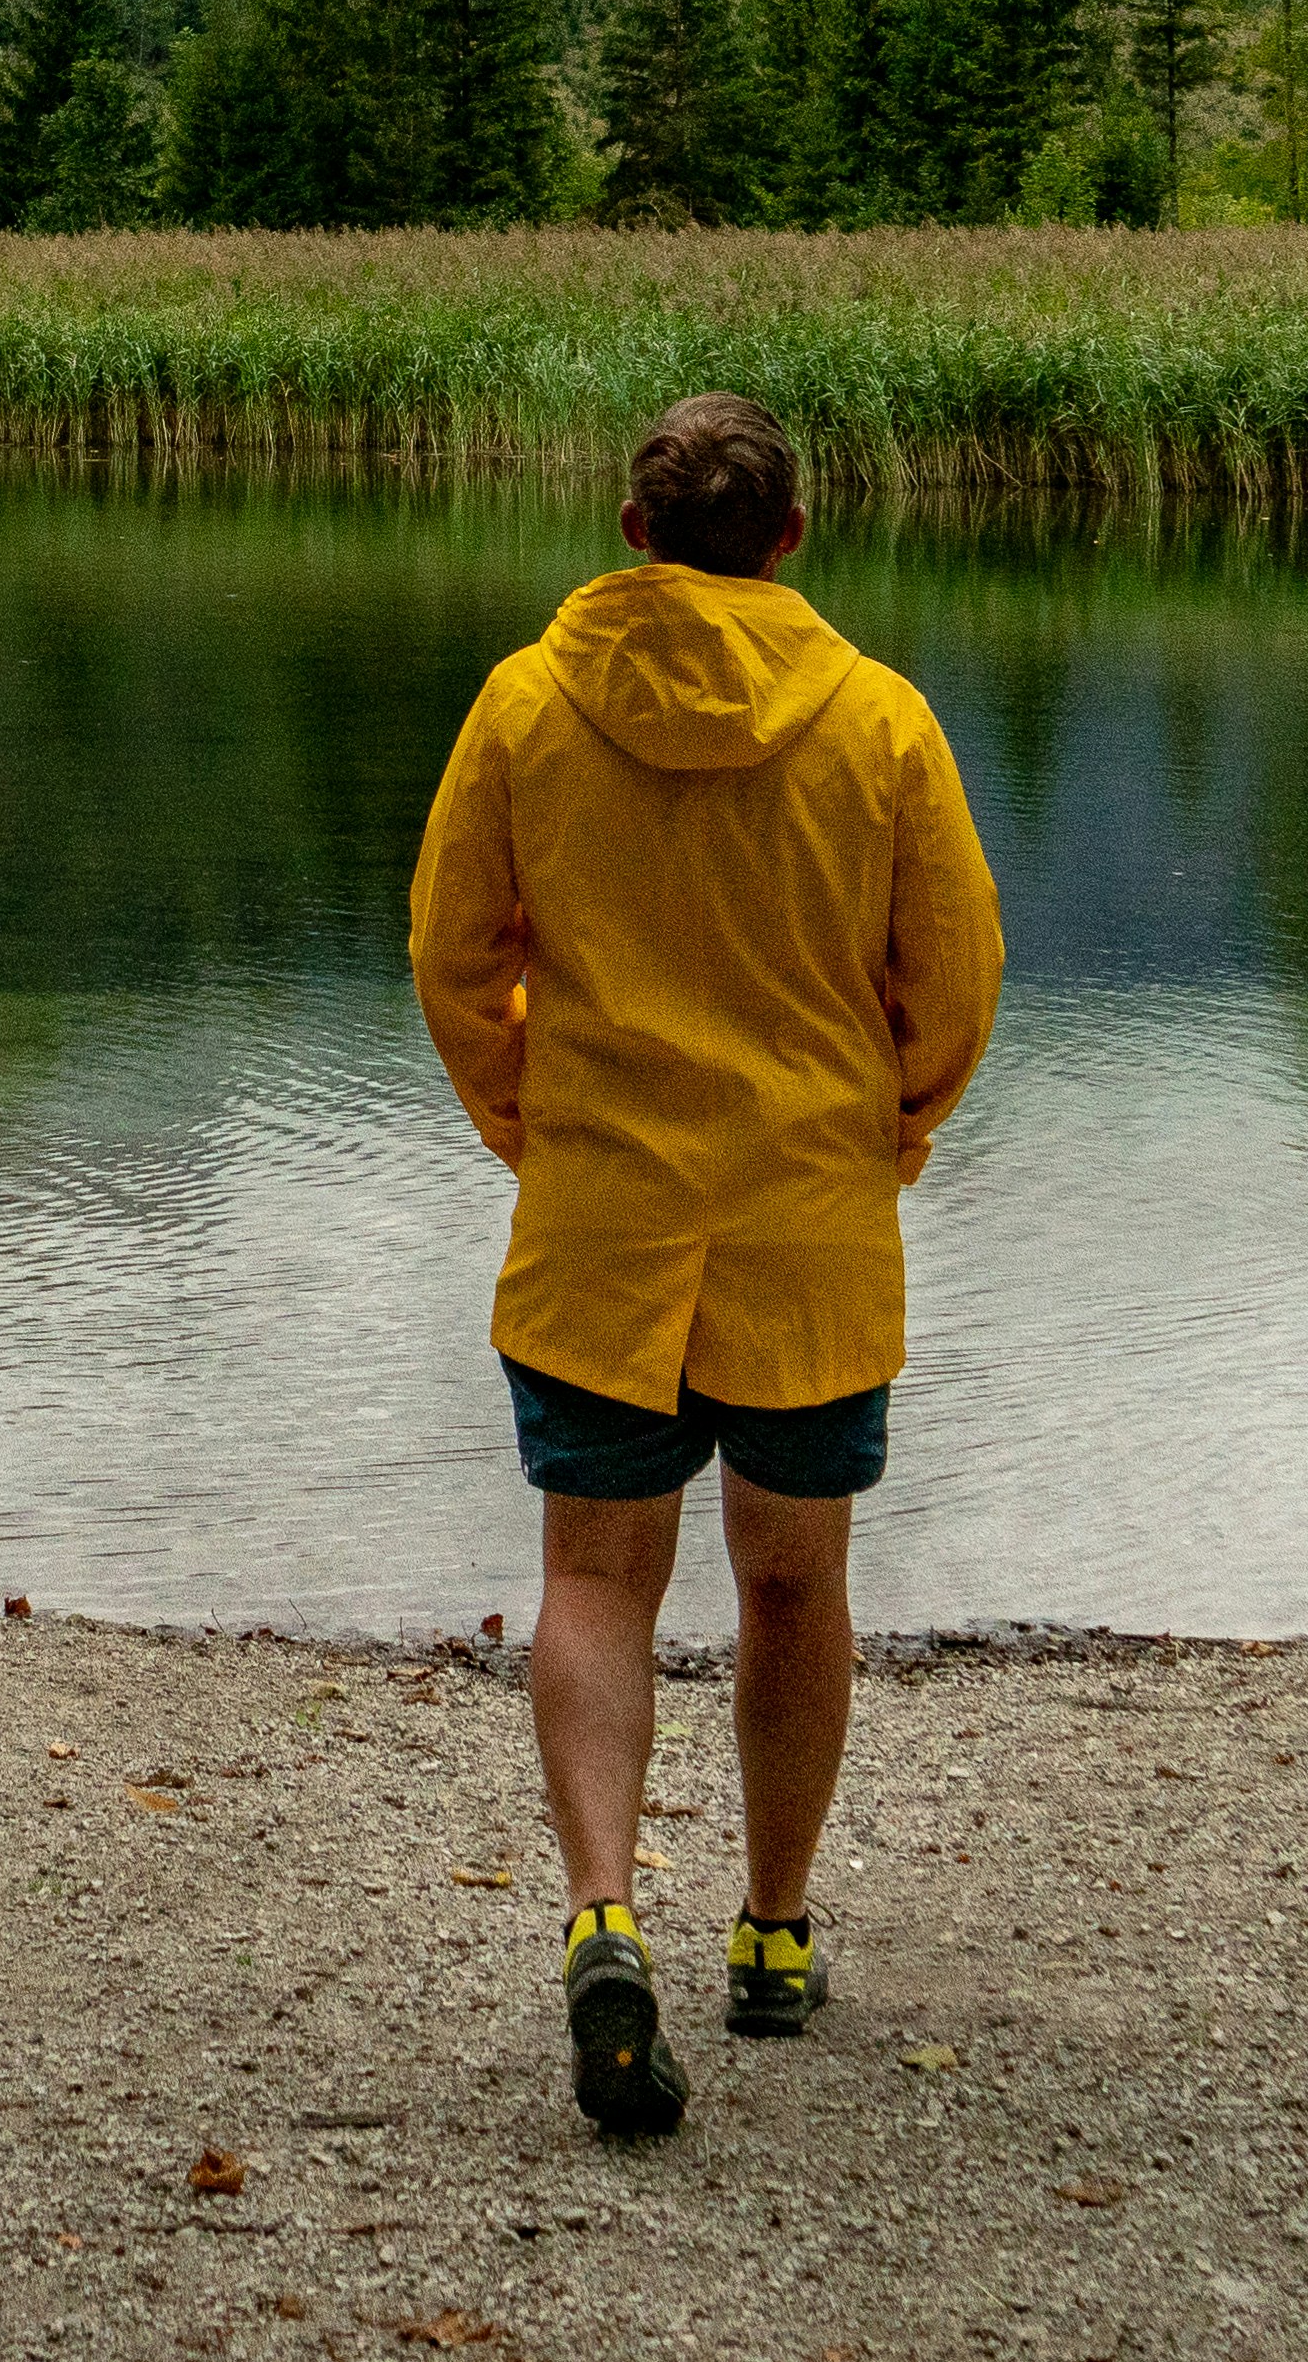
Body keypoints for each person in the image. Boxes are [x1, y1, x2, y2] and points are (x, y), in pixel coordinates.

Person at [404, 390, 1007, 2139]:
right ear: (793, 539)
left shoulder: (527, 703)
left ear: (632, 530)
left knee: (596, 1579)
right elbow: (954, 979)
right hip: (809, 1228)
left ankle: (606, 1916)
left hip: (604, 1223)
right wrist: (884, 1132)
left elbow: (454, 952)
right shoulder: (881, 722)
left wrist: (532, 1119)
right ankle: (772, 1929)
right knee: (794, 1582)